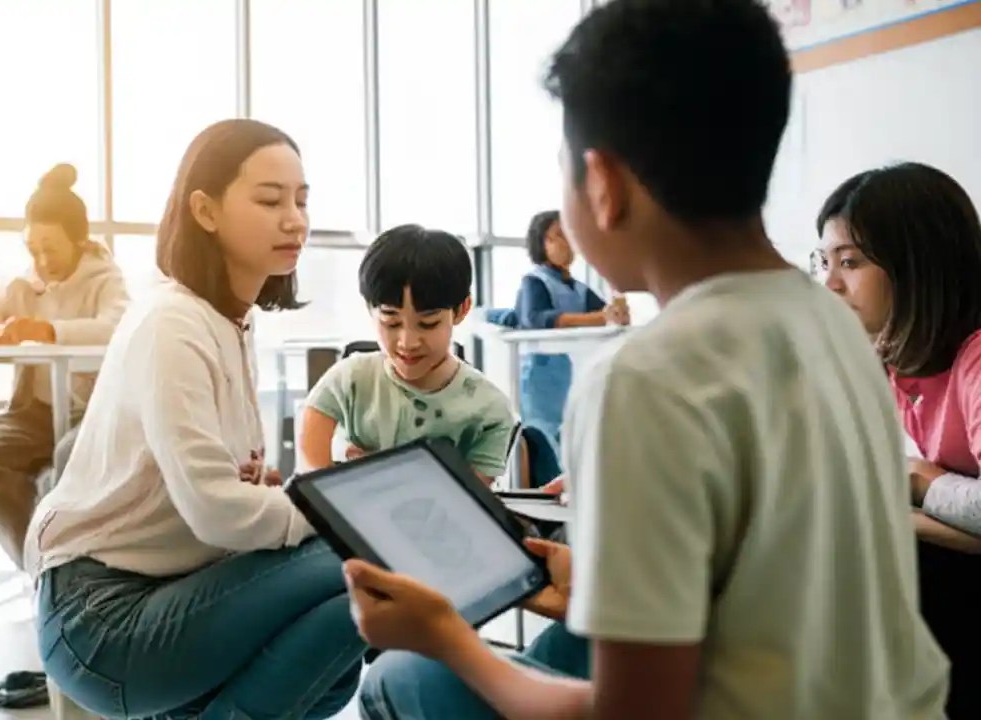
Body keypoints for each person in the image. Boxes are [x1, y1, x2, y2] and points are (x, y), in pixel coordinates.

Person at [345, 1, 950, 718]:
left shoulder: (646, 379)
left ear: (602, 183)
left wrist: (446, 636)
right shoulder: (833, 324)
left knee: (397, 680)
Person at [24, 119, 365, 719]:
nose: (295, 219)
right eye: (269, 199)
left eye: (301, 199)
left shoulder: (231, 318)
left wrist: (275, 495)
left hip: (169, 588)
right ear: (204, 211)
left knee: (340, 644)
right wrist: (329, 507)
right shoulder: (172, 323)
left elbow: (224, 489)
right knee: (355, 568)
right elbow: (217, 509)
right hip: (101, 618)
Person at [816, 161, 981, 717]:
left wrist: (917, 482)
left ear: (917, 264)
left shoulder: (976, 355)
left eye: (850, 262)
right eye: (826, 261)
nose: (831, 283)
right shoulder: (895, 359)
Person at [0, 164, 128, 569]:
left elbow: (116, 329)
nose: (41, 259)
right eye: (32, 249)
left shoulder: (107, 279)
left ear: (79, 240)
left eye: (50, 248)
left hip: (88, 415)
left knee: (73, 461)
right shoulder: (20, 285)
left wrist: (46, 329)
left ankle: (73, 565)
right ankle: (38, 562)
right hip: (32, 416)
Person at [300, 224, 515, 483]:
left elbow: (469, 502)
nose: (408, 342)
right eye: (391, 322)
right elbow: (312, 456)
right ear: (370, 309)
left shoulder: (489, 409)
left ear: (461, 309)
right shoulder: (351, 378)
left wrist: (383, 476)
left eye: (428, 323)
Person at [508, 210, 629, 482]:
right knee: (544, 447)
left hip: (569, 378)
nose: (567, 243)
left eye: (569, 235)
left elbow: (606, 315)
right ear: (542, 243)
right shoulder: (534, 282)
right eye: (558, 237)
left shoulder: (578, 289)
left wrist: (617, 312)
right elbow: (535, 318)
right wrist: (601, 317)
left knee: (572, 446)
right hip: (540, 382)